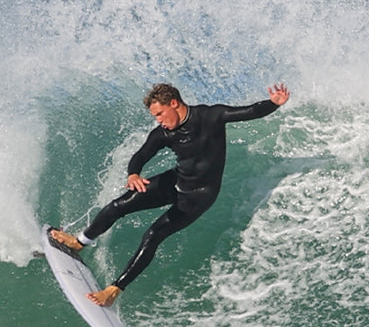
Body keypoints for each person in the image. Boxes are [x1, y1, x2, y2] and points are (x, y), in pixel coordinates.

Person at [51, 81, 290, 306]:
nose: (159, 121)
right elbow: (141, 155)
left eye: (159, 114)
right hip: (176, 180)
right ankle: (80, 241)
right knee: (118, 206)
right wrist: (133, 174)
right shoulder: (163, 134)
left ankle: (114, 290)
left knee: (153, 235)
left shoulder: (211, 115)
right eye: (155, 116)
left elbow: (249, 112)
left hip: (199, 195)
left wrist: (274, 104)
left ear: (174, 103)